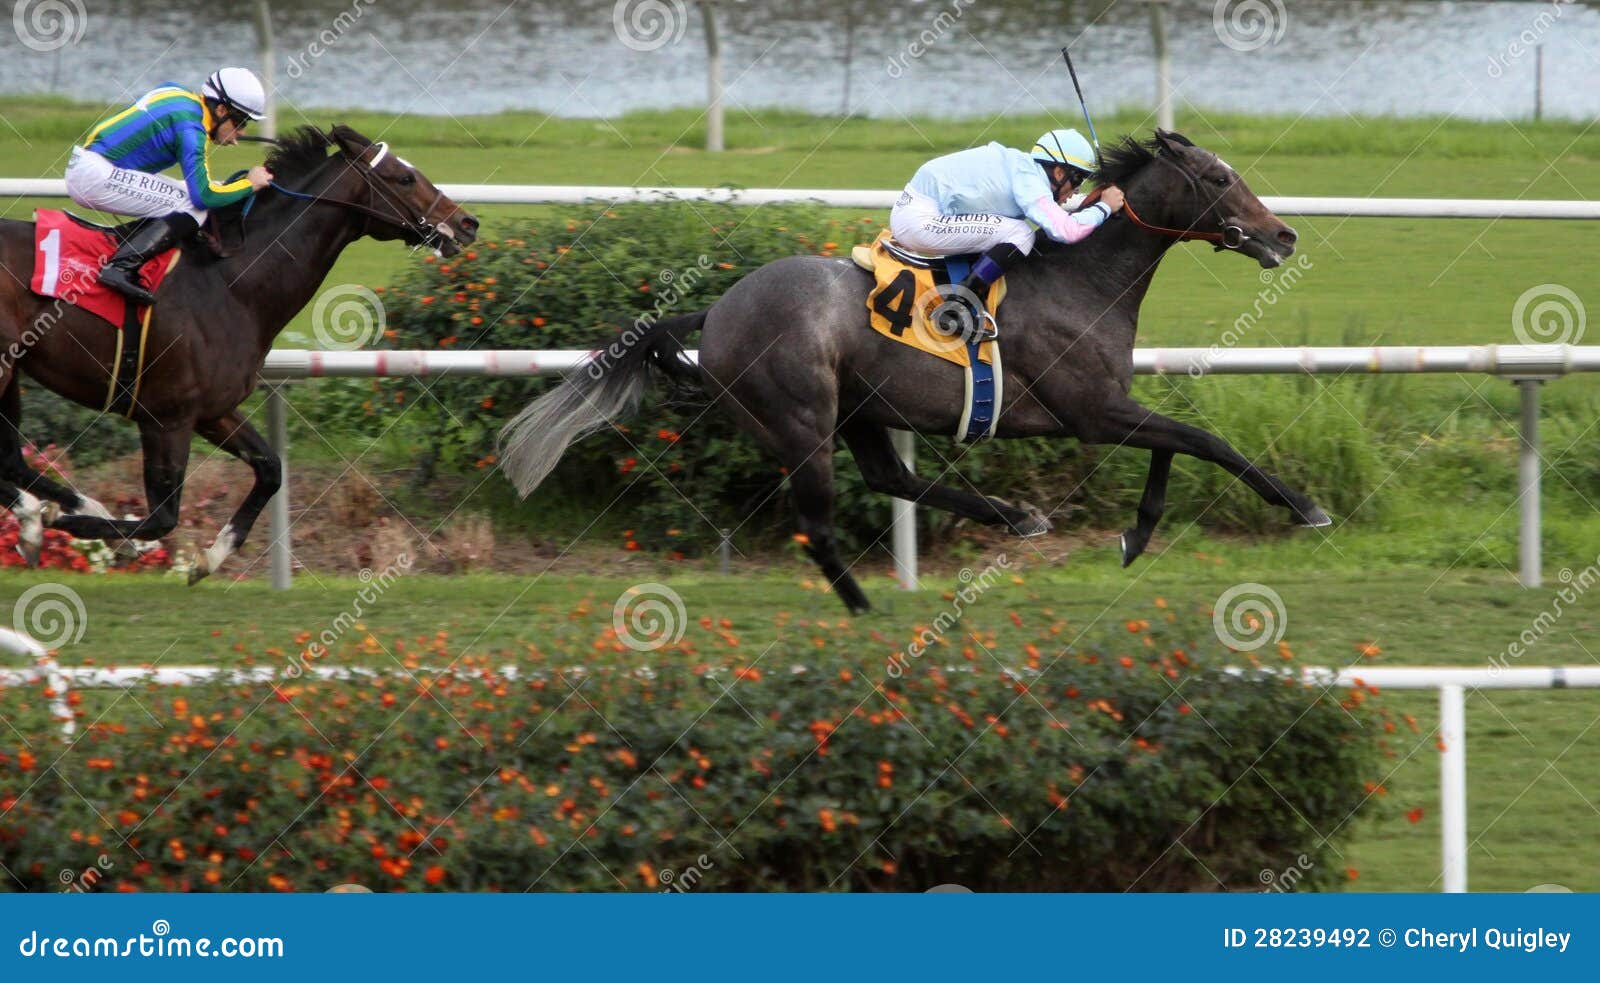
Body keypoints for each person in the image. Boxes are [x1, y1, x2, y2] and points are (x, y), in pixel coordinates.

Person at [64, 67, 275, 304]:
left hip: (95, 166)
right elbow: (203, 197)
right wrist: (250, 184)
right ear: (221, 109)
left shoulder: (178, 93)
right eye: (240, 122)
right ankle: (120, 267)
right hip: (96, 176)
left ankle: (137, 252)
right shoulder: (191, 130)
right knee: (193, 207)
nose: (240, 134)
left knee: (188, 195)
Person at [889, 128, 1125, 336]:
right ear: (1059, 173)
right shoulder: (1029, 181)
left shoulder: (1022, 166)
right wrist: (1104, 207)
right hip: (920, 220)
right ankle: (957, 305)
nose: (1075, 192)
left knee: (1008, 229)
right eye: (1078, 180)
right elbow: (1066, 231)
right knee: (1021, 233)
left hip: (920, 211)